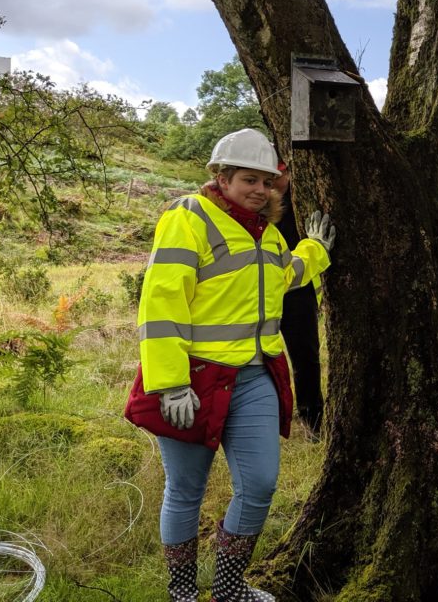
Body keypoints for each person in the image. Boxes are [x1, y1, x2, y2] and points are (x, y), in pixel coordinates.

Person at [124, 128, 336, 602]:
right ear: (220, 177)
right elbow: (161, 303)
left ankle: (228, 589)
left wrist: (316, 251)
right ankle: (182, 592)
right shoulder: (190, 217)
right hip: (194, 380)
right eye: (248, 179)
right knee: (185, 489)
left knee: (259, 483)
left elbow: (284, 275)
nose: (260, 190)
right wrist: (171, 383)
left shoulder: (266, 229)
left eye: (267, 181)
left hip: (255, 374)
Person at [273, 162, 325, 439]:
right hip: (261, 292)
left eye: (279, 173)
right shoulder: (257, 201)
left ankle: (312, 420)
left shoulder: (303, 197)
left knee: (305, 357)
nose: (273, 180)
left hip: (299, 292)